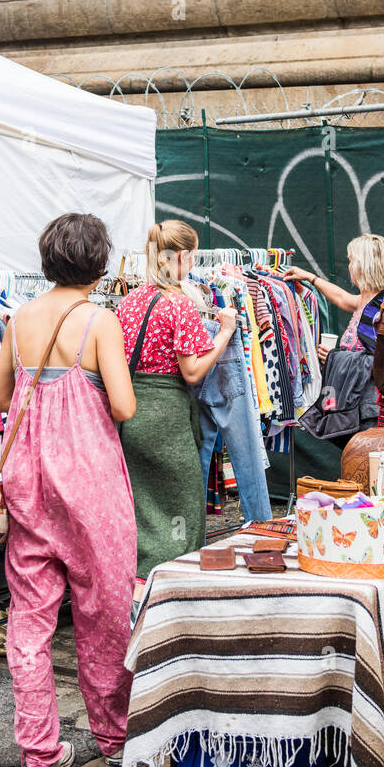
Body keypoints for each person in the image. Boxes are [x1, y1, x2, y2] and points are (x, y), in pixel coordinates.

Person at [0, 213, 137, 767]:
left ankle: (39, 753)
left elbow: (0, 395)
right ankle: (114, 736)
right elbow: (123, 406)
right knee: (103, 614)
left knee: (29, 621)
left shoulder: (20, 317)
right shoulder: (99, 321)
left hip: (29, 484)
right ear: (100, 264)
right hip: (91, 486)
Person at [117, 220, 236, 598]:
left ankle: (139, 580)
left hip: (131, 413)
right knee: (182, 502)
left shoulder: (128, 302)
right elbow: (193, 371)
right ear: (182, 256)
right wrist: (224, 334)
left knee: (142, 502)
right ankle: (174, 589)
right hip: (167, 416)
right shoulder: (180, 304)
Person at [284, 234, 384, 357]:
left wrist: (336, 358)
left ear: (362, 265)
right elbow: (341, 298)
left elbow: (376, 363)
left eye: (351, 260)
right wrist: (310, 277)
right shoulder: (369, 300)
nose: (349, 266)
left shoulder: (379, 311)